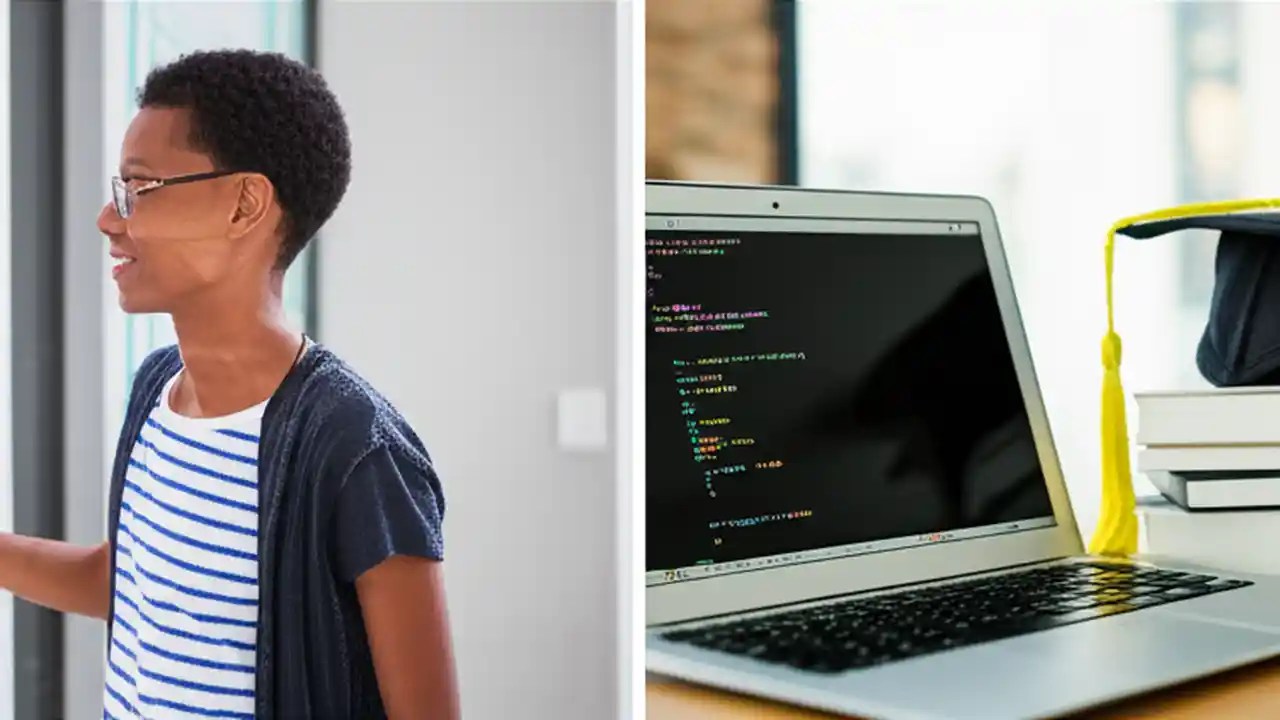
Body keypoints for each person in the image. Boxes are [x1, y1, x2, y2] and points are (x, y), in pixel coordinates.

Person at [0, 49, 459, 719]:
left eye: (139, 188)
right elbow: (128, 580)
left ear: (245, 203)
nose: (108, 217)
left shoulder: (358, 449)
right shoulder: (154, 391)